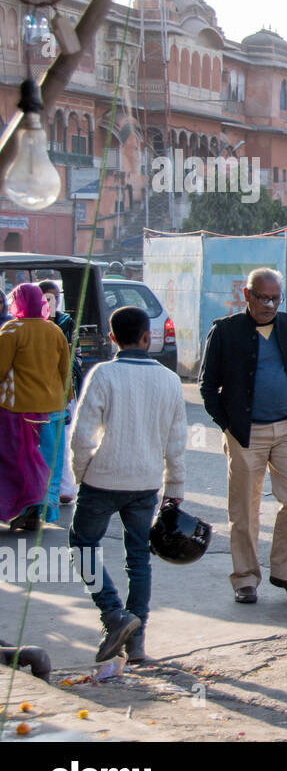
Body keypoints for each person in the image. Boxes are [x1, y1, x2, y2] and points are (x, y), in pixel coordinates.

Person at [68, 305, 187, 664]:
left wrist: (82, 473)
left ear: (111, 338)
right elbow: (177, 440)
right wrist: (175, 486)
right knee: (138, 560)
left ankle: (114, 615)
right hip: (146, 482)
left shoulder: (103, 375)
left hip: (102, 478)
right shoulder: (169, 380)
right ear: (148, 337)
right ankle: (136, 644)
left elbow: (82, 436)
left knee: (81, 545)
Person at [199, 268, 287, 604]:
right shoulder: (225, 331)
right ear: (246, 296)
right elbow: (208, 387)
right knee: (244, 509)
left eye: (275, 298)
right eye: (262, 297)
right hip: (245, 432)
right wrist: (228, 425)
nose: (269, 304)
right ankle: (245, 578)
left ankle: (286, 572)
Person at [0, 284, 70, 528]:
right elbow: (65, 370)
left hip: (18, 410)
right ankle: (41, 507)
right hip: (52, 409)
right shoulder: (54, 331)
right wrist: (66, 402)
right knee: (47, 460)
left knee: (19, 460)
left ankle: (26, 505)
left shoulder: (11, 330)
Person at [38, 279, 78, 504]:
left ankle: (60, 490)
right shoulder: (21, 325)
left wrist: (68, 398)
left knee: (59, 446)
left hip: (57, 395)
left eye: (55, 297)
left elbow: (68, 364)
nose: (52, 302)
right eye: (46, 298)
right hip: (36, 396)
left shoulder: (64, 322)